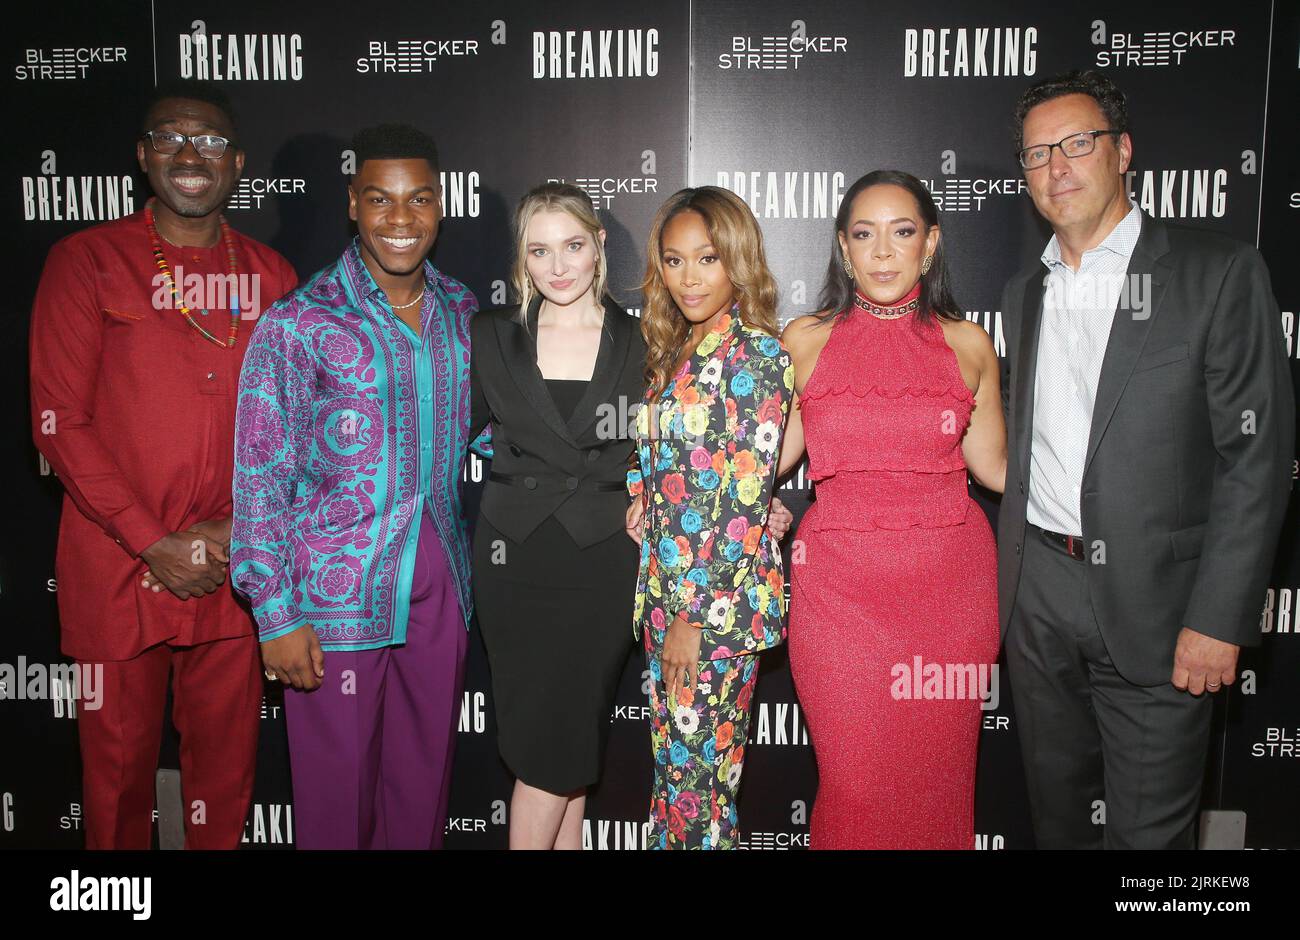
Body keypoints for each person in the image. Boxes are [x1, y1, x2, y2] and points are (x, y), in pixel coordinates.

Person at [999, 70, 1294, 849]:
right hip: (1039, 601)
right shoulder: (1026, 290)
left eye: (1076, 144)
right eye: (1036, 155)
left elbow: (1255, 458)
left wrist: (1218, 618)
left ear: (1122, 151)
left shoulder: (1217, 273)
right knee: (1057, 824)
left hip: (1165, 610)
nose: (1056, 167)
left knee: (1148, 841)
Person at [29, 80, 297, 849]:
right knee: (114, 789)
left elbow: (296, 430)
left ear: (237, 162)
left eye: (209, 140)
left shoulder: (273, 277)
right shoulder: (85, 262)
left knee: (225, 783)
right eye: (171, 138)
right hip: (119, 567)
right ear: (143, 156)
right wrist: (156, 541)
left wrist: (234, 530)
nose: (190, 154)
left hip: (232, 568)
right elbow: (58, 425)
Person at [230, 124, 476, 850]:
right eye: (380, 199)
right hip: (332, 597)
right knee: (336, 806)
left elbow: (496, 431)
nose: (401, 219)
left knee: (423, 789)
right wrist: (272, 610)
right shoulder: (300, 322)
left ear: (441, 204)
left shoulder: (463, 313)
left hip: (441, 590)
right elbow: (259, 473)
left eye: (419, 199)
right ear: (352, 204)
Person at [780, 170, 1005, 849]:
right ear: (843, 249)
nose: (882, 252)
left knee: (939, 787)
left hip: (951, 595)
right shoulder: (803, 341)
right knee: (854, 788)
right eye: (864, 235)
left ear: (929, 245)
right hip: (839, 596)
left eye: (902, 233)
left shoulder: (969, 344)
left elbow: (997, 470)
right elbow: (760, 465)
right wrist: (666, 491)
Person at [468, 183, 644, 849]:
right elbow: (437, 436)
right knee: (550, 749)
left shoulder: (643, 338)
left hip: (603, 563)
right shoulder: (491, 334)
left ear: (599, 246)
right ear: (522, 259)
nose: (559, 265)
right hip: (515, 563)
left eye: (572, 245)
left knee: (566, 746)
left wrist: (754, 501)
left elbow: (683, 447)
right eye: (540, 251)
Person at [626, 186, 793, 850]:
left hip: (711, 615)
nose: (688, 277)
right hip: (665, 603)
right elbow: (675, 469)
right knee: (676, 788)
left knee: (698, 801)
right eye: (674, 260)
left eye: (707, 259)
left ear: (737, 262)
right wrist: (641, 500)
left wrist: (693, 618)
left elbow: (744, 503)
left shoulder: (753, 354)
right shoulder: (674, 353)